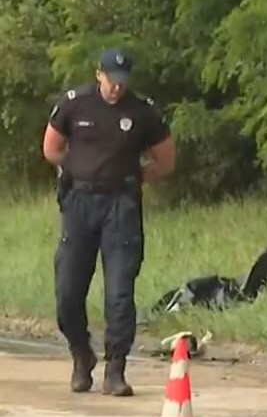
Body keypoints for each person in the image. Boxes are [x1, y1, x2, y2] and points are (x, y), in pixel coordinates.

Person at [42, 48, 176, 396]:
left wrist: (135, 178)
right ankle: (80, 353)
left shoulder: (142, 111)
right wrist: (74, 171)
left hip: (121, 206)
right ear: (98, 74)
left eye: (122, 82)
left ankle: (115, 367)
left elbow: (166, 159)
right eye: (111, 80)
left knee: (119, 291)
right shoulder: (75, 103)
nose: (116, 88)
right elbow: (51, 148)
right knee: (68, 290)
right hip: (80, 203)